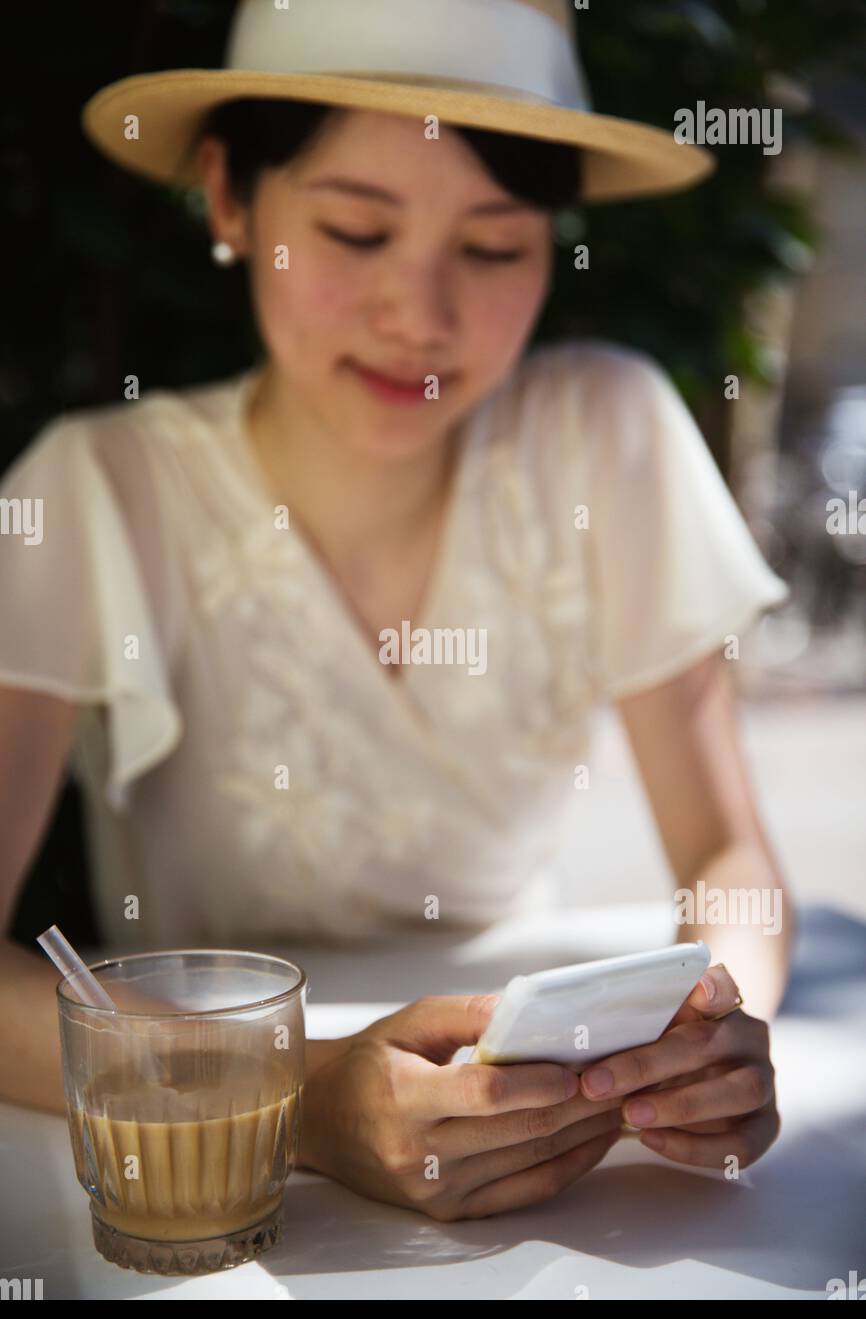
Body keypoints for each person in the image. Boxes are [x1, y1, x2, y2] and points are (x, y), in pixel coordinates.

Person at [0, 0, 791, 1220]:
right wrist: (299, 1094)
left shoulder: (605, 434)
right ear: (227, 199)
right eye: (352, 230)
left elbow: (723, 851)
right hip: (206, 1189)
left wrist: (712, 1024)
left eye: (490, 248)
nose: (417, 314)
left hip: (544, 1143)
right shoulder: (97, 487)